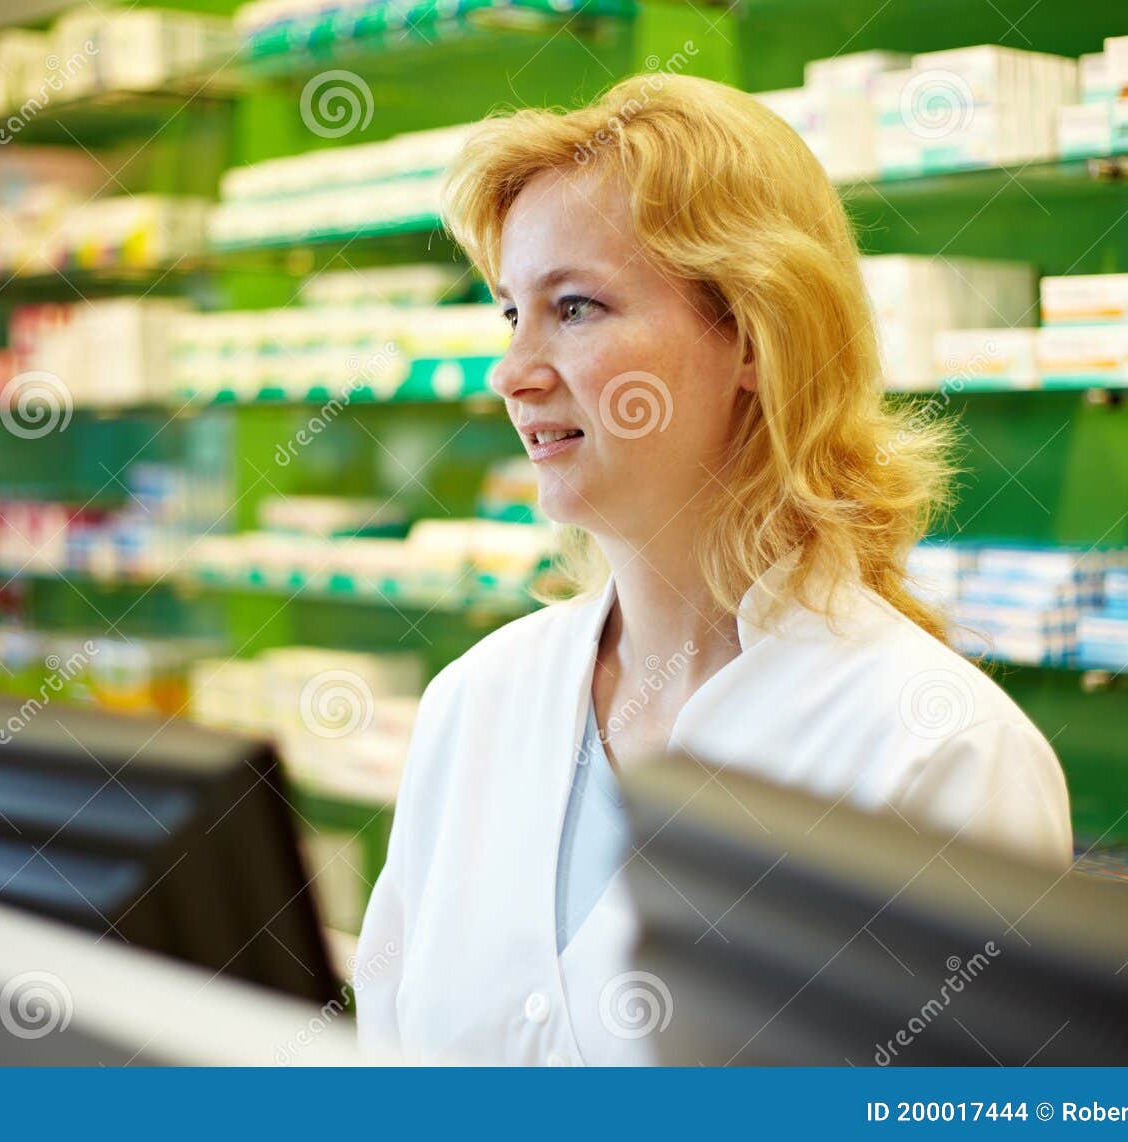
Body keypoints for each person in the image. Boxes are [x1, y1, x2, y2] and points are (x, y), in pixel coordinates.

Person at [352, 73, 1071, 1066]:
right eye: (508, 312)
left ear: (752, 333)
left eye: (574, 306)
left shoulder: (936, 753)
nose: (512, 370)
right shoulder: (473, 703)